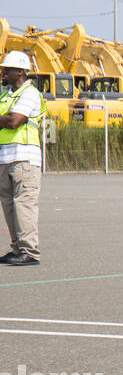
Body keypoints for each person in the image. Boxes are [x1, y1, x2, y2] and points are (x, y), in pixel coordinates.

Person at [0, 51, 45, 265]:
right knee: (9, 205)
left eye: (7, 69)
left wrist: (5, 119)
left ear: (20, 71)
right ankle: (17, 248)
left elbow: (13, 121)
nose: (3, 73)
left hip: (25, 157)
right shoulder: (6, 95)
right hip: (5, 157)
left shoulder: (30, 93)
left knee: (23, 204)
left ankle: (29, 251)